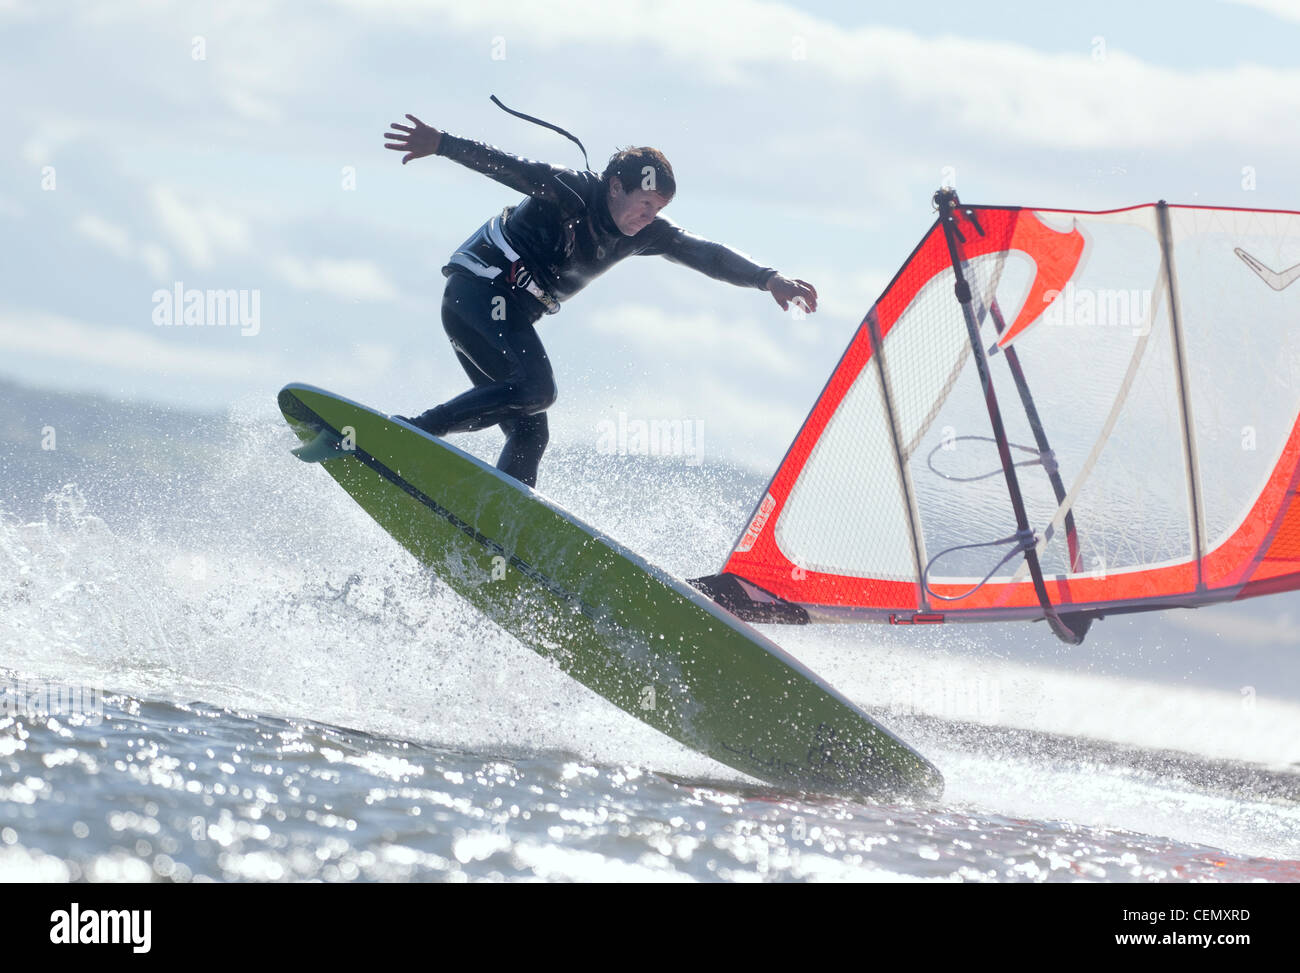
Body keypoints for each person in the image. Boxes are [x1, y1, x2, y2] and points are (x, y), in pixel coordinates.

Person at [382, 113, 817, 488]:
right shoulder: (570, 191)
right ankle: (415, 430)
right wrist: (441, 144)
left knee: (531, 433)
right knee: (538, 389)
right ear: (614, 187)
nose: (648, 217)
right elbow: (509, 167)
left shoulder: (645, 232)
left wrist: (769, 279)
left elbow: (704, 252)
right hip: (478, 292)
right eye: (644, 203)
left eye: (657, 209)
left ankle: (499, 523)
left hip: (506, 315)